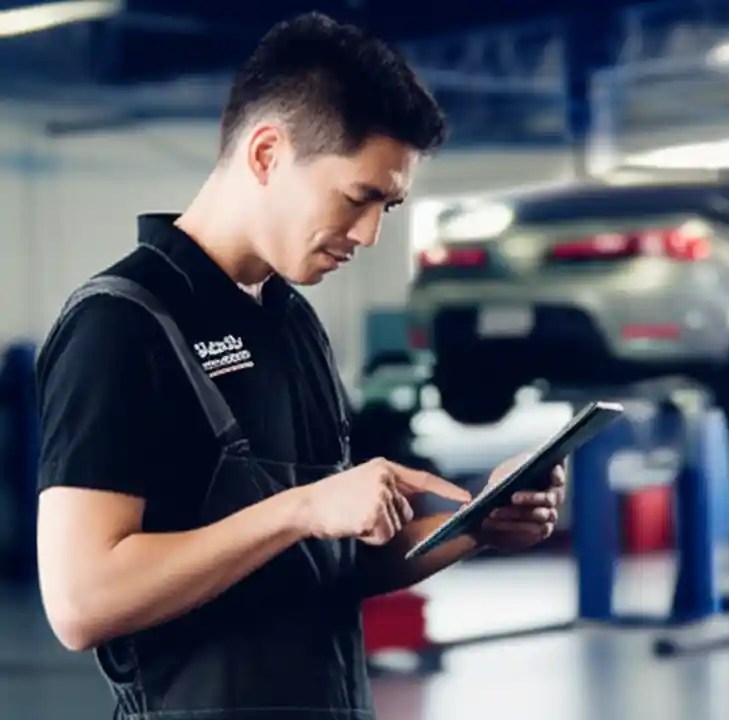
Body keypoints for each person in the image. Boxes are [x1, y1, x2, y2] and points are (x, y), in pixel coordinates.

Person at [34, 12, 565, 719]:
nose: (372, 233)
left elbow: (328, 566)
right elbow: (80, 601)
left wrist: (475, 522)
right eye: (359, 197)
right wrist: (302, 508)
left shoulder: (291, 323)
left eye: (390, 205)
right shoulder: (121, 324)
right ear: (266, 154)